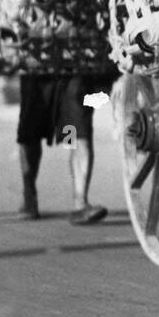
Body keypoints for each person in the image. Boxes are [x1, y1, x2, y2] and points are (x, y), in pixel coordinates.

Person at [16, 74, 108, 224]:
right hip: (36, 68)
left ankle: (81, 203)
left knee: (77, 129)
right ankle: (29, 195)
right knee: (31, 131)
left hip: (76, 68)